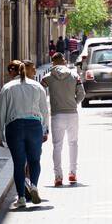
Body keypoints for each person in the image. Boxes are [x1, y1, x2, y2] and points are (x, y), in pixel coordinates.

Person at [0, 59, 50, 209]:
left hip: (15, 126)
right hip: (34, 126)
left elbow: (2, 112)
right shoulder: (37, 86)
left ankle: (20, 197)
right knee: (34, 160)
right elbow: (45, 111)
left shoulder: (7, 88)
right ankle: (33, 185)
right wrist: (45, 129)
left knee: (19, 164)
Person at [42, 52, 84, 186]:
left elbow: (40, 91)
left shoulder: (47, 77)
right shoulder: (74, 75)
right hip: (72, 114)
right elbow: (82, 94)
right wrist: (74, 102)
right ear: (64, 61)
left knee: (57, 146)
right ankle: (73, 172)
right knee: (73, 143)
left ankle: (58, 176)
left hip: (56, 115)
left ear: (53, 62)